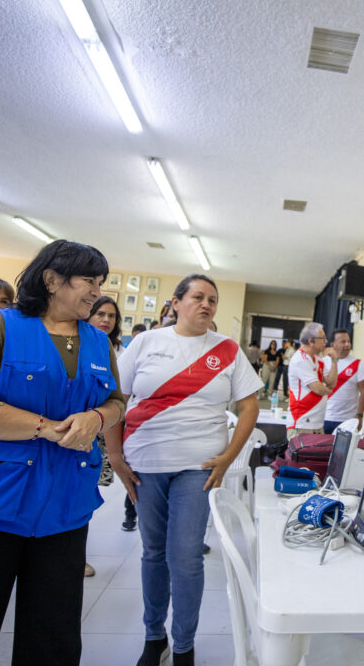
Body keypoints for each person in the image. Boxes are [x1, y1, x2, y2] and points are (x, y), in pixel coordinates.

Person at [0, 240, 125, 665]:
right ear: (52, 279)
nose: (97, 290)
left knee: (52, 640)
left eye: (100, 282)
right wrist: (47, 429)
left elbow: (116, 401)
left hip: (64, 511)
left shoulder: (97, 341)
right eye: (88, 280)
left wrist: (96, 417)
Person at [108, 274, 261, 666]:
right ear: (176, 302)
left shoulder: (227, 350)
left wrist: (228, 456)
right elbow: (114, 401)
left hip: (199, 466)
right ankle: (153, 637)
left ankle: (184, 645)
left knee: (187, 556)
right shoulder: (145, 343)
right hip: (146, 464)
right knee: (153, 554)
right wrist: (116, 457)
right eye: (197, 297)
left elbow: (249, 407)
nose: (206, 304)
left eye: (213, 299)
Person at [85, 296, 125, 569]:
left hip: (101, 431)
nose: (106, 320)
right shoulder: (78, 346)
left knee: (86, 497)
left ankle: (78, 555)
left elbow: (116, 401)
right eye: (100, 313)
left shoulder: (113, 351)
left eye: (111, 316)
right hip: (71, 429)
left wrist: (115, 451)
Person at [285, 322, 338, 435]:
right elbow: (318, 389)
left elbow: (331, 382)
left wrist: (334, 360)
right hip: (302, 424)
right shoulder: (300, 359)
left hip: (317, 424)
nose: (326, 341)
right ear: (310, 341)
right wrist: (328, 390)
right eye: (322, 338)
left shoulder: (318, 359)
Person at [321, 329, 364, 434]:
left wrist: (359, 415)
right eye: (343, 342)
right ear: (333, 345)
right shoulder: (323, 362)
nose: (347, 344)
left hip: (348, 420)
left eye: (348, 341)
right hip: (325, 417)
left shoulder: (358, 364)